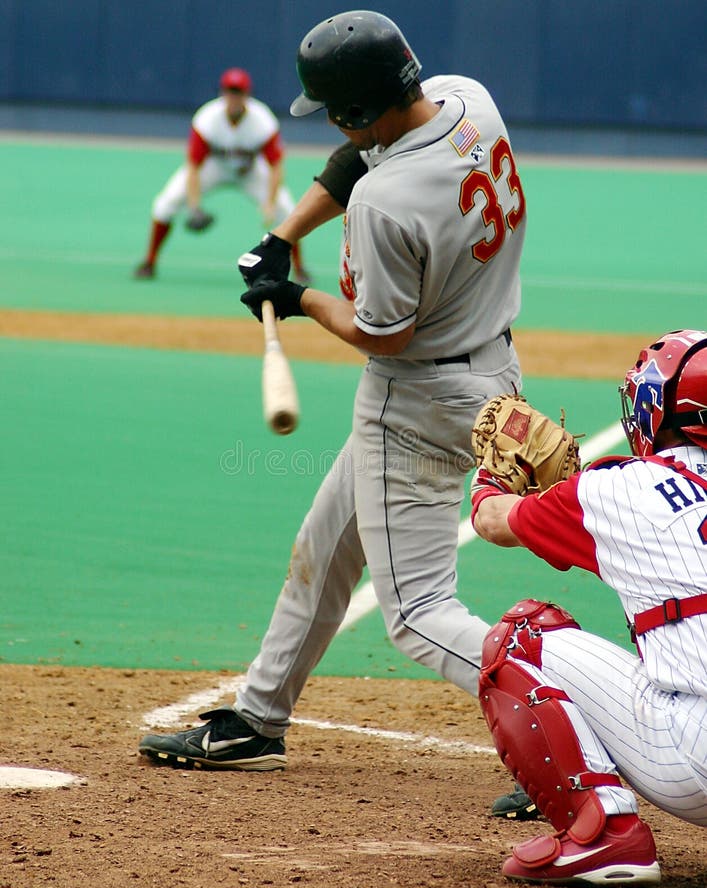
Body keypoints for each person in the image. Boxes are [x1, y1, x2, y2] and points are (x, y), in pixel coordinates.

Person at [139, 10, 526, 783]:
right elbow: (366, 150)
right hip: (490, 368)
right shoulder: (467, 99)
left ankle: (570, 723)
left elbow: (383, 333)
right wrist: (284, 233)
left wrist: (298, 295)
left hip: (416, 397)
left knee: (417, 613)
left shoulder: (388, 204)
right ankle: (258, 716)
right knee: (327, 542)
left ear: (353, 110)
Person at [469, 329, 707, 888]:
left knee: (521, 636)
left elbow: (492, 521)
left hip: (696, 759)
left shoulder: (614, 489)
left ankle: (603, 833)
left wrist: (493, 479)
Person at [133, 67, 308, 281]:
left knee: (287, 210)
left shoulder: (263, 120)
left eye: (238, 91)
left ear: (247, 94)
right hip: (213, 167)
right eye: (230, 91)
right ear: (222, 93)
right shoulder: (207, 118)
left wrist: (270, 204)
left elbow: (276, 167)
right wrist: (195, 206)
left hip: (251, 169)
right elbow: (194, 166)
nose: (233, 97)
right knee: (164, 204)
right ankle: (149, 262)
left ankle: (299, 269)